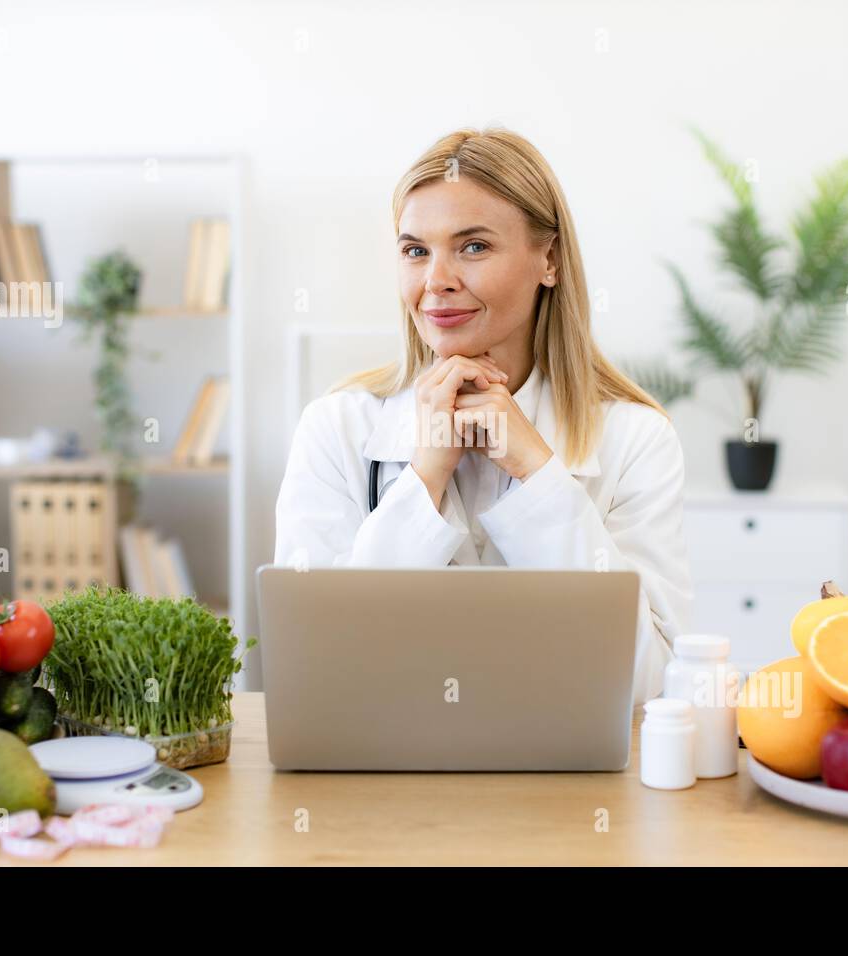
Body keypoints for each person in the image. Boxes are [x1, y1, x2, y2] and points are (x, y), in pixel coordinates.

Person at [274, 127, 692, 703]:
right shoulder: (335, 429)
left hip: (570, 787)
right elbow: (315, 673)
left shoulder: (637, 439)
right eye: (415, 250)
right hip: (382, 783)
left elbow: (652, 688)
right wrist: (423, 479)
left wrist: (541, 478)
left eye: (473, 247)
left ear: (549, 259)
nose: (436, 281)